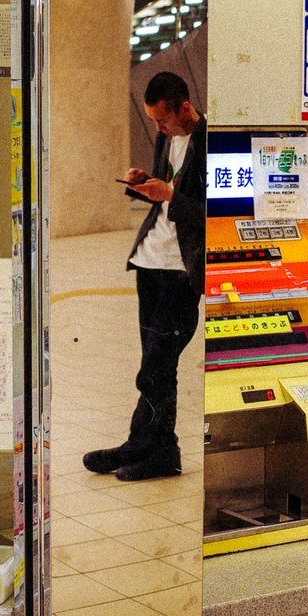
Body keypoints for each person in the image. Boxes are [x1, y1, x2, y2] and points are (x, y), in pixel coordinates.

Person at [84, 70, 206, 482]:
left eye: (161, 119)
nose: (157, 127)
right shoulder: (166, 139)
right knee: (155, 363)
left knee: (155, 364)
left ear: (184, 108)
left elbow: (218, 214)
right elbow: (162, 197)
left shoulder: (212, 144)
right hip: (150, 264)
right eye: (153, 121)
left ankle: (151, 447)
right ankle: (151, 446)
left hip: (181, 271)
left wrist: (171, 194)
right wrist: (143, 185)